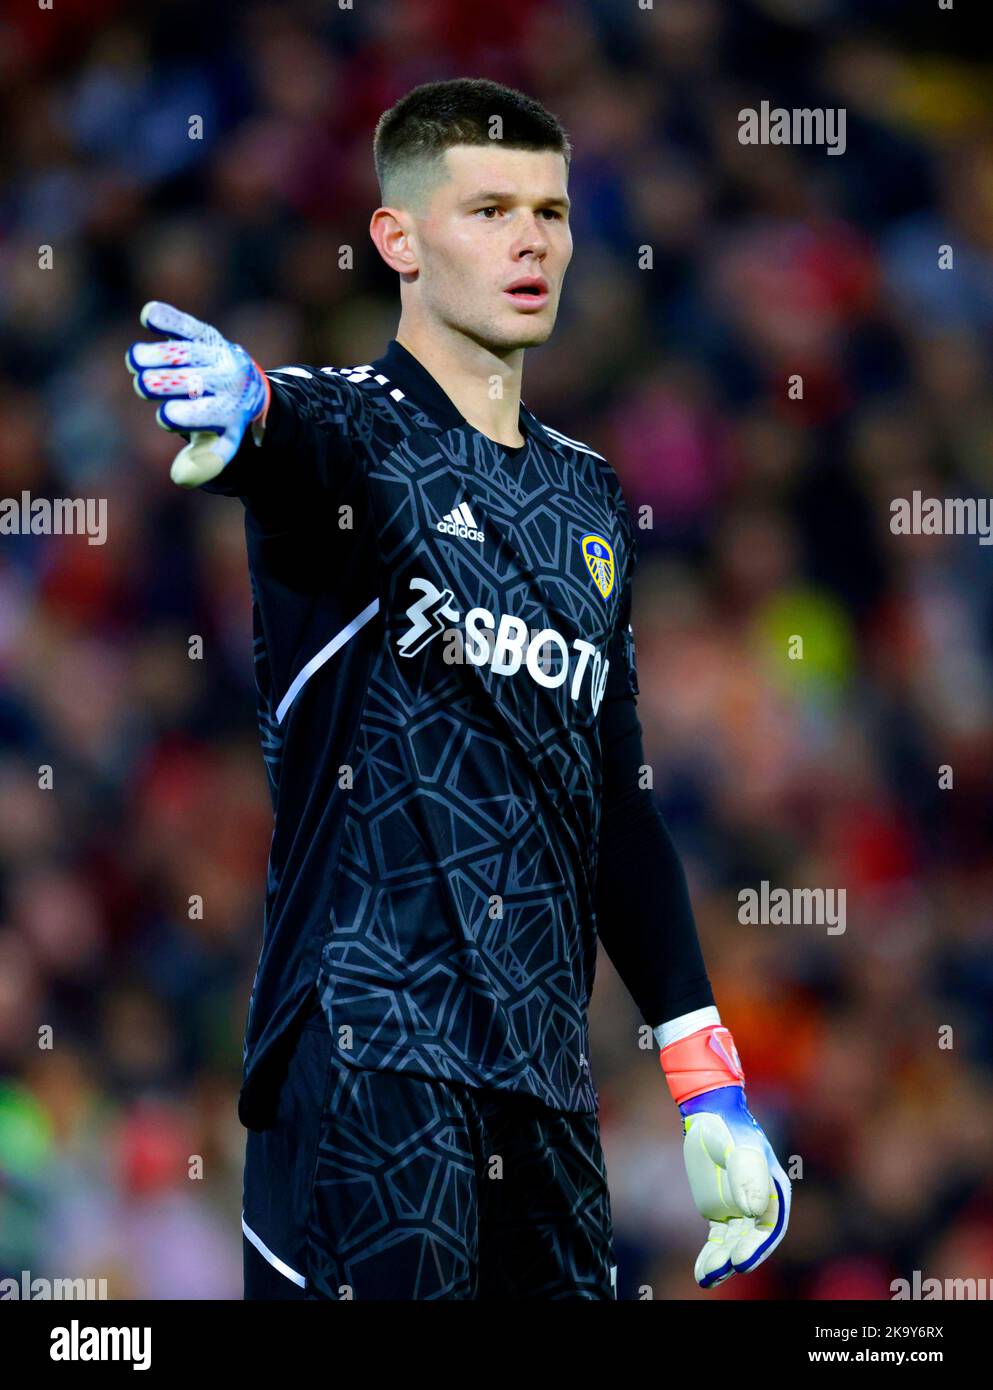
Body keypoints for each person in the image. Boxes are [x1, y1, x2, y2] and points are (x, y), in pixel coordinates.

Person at [127, 76, 790, 1300]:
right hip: (369, 1063)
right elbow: (294, 436)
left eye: (550, 209)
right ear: (399, 239)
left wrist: (707, 1084)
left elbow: (616, 808)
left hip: (541, 1091)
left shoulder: (591, 499)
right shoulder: (355, 431)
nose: (531, 238)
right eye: (488, 209)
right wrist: (254, 408)